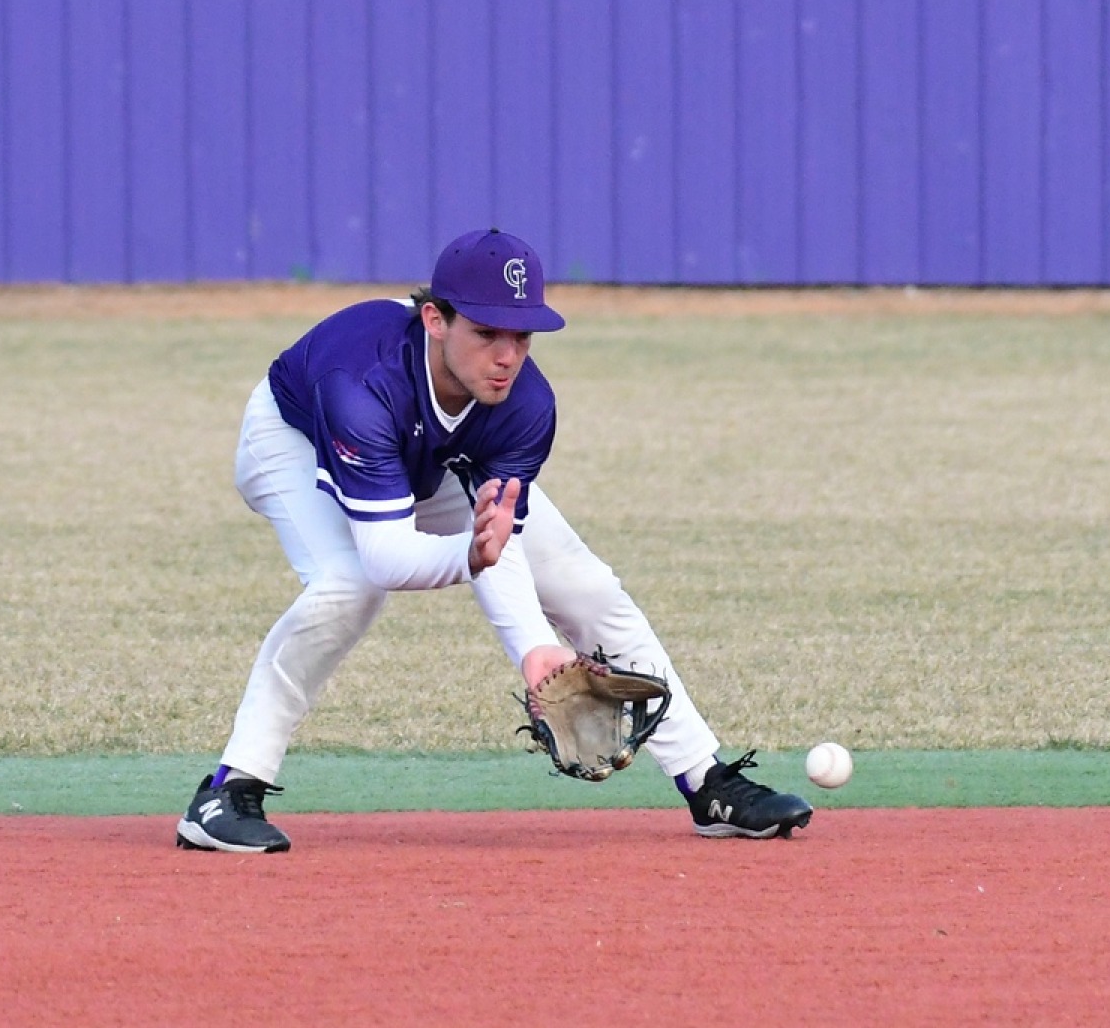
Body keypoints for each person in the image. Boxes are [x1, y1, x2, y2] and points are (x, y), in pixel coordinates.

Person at [176, 229, 812, 853]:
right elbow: (390, 556)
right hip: (297, 440)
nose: (507, 355)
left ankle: (710, 784)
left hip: (434, 456)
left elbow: (497, 531)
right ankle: (228, 792)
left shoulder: (524, 404)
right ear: (435, 319)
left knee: (583, 585)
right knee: (349, 587)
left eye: (522, 334)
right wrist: (471, 556)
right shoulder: (360, 384)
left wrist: (534, 648)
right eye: (485, 332)